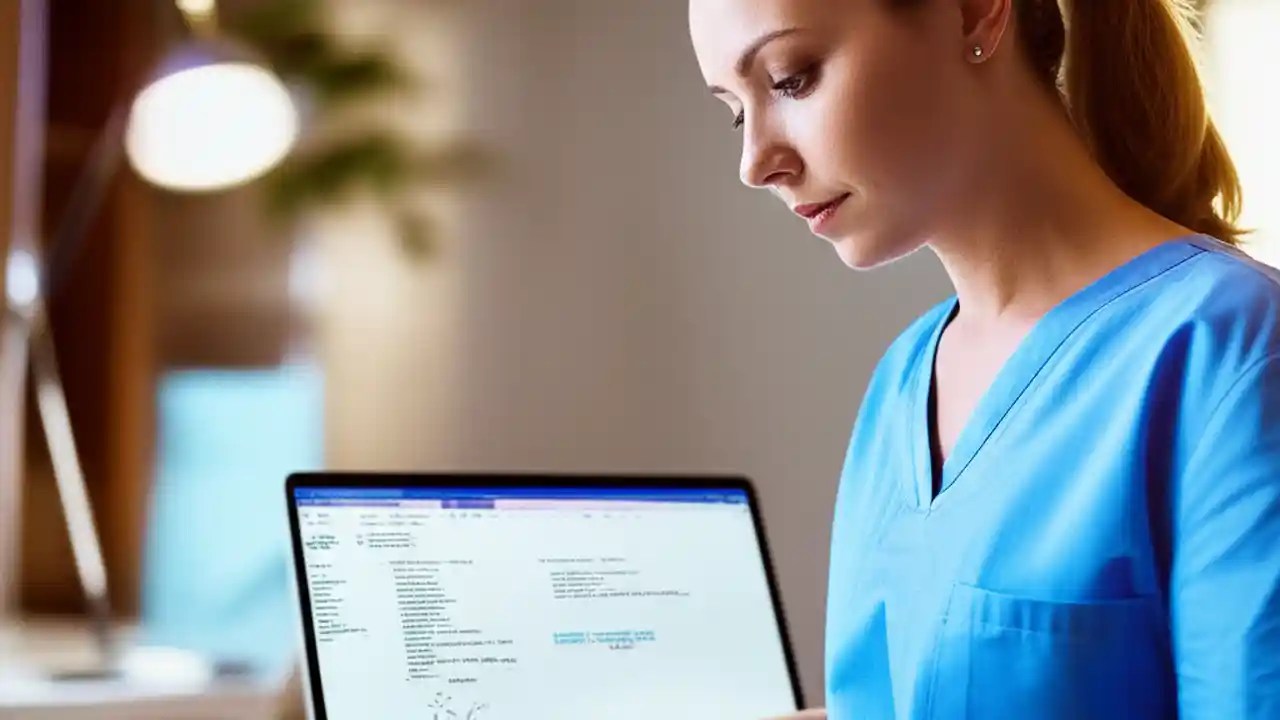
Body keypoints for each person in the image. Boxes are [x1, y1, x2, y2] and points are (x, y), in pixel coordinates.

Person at [689, 0, 1280, 718]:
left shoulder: (1231, 349)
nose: (755, 163)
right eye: (733, 112)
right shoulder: (903, 383)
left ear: (973, 14)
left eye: (792, 79)